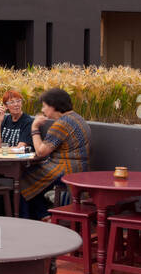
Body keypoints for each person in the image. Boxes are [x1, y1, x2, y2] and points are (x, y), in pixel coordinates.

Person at [19, 88, 92, 221]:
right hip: (81, 168)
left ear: (53, 106)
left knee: (22, 181)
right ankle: (44, 216)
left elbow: (41, 152)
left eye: (44, 106)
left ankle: (26, 220)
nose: (43, 110)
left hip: (64, 169)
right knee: (32, 178)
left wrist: (34, 128)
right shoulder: (78, 118)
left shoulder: (61, 125)